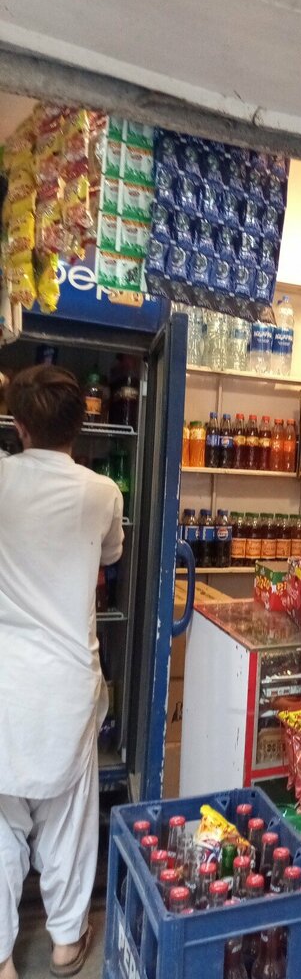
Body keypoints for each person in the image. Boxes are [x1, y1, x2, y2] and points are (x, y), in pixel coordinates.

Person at [0, 365, 124, 979]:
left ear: (18, 425)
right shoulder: (102, 494)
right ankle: (67, 944)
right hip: (68, 683)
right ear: (83, 424)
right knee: (68, 821)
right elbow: (111, 554)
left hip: (4, 680)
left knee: (0, 826)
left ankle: (1, 959)